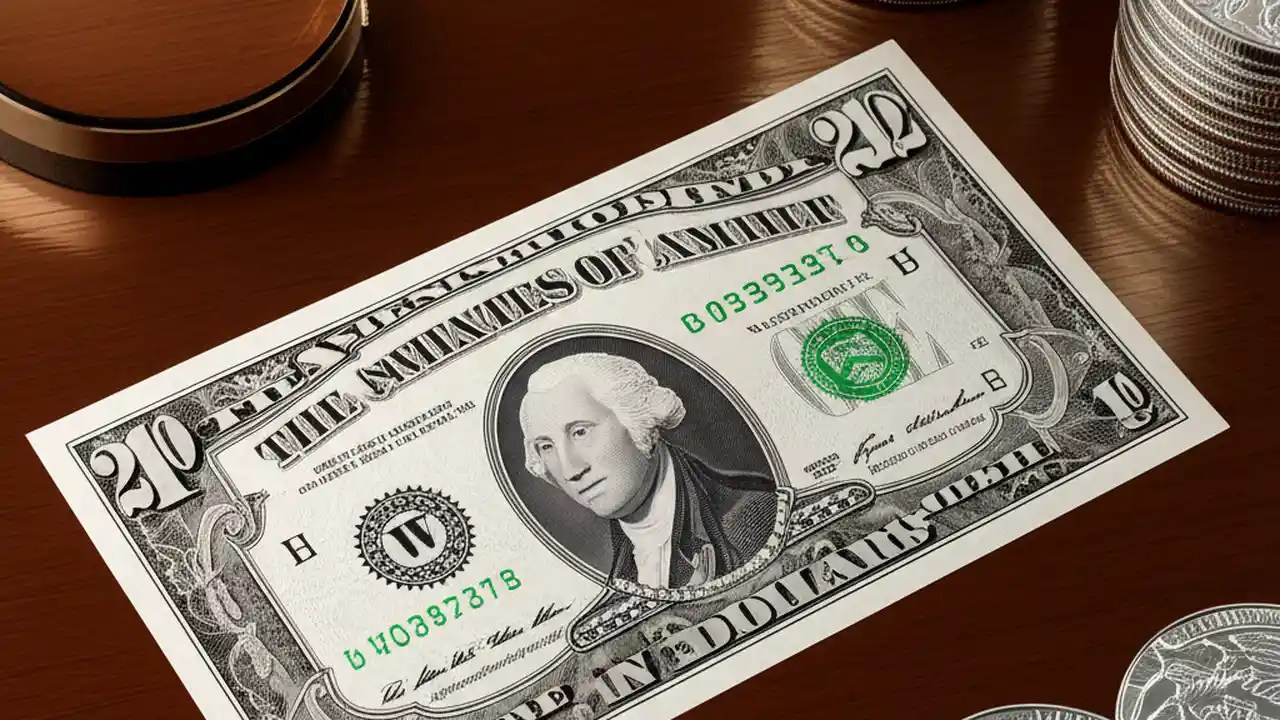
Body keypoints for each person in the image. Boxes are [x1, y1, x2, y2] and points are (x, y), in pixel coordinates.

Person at [518, 352, 776, 589]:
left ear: (636, 420)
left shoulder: (754, 518)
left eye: (580, 432)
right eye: (546, 446)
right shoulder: (616, 583)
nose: (570, 470)